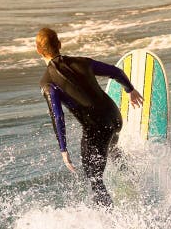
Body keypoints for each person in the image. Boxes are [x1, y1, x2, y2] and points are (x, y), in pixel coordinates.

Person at [36, 28, 143, 206]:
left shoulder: (47, 82)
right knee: (112, 147)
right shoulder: (82, 62)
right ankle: (134, 180)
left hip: (97, 129)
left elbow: (57, 115)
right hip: (115, 117)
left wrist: (63, 149)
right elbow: (116, 72)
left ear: (38, 51)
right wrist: (130, 90)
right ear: (59, 44)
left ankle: (111, 217)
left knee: (94, 179)